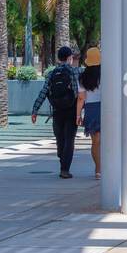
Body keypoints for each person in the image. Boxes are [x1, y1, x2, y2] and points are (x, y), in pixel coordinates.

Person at [31, 45, 80, 178]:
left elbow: (44, 92)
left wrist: (35, 109)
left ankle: (62, 161)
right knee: (69, 140)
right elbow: (78, 93)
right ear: (70, 58)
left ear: (58, 58)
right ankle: (65, 169)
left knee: (60, 139)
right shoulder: (75, 71)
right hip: (71, 110)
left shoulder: (51, 73)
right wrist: (80, 110)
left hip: (57, 111)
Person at [77, 47, 102, 180]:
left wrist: (78, 115)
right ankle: (109, 167)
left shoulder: (82, 77)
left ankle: (98, 170)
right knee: (107, 141)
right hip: (106, 107)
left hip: (91, 109)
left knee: (95, 142)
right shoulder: (107, 74)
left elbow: (81, 98)